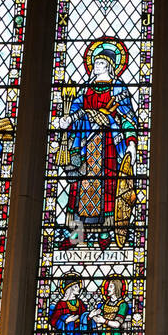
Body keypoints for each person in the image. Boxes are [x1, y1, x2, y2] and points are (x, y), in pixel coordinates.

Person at [53, 38, 139, 248]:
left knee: (109, 186)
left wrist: (131, 142)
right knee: (80, 187)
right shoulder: (86, 88)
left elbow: (127, 117)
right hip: (85, 143)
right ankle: (78, 234)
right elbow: (75, 109)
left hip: (107, 143)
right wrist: (67, 119)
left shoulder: (119, 89)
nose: (96, 66)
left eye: (100, 63)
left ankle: (106, 232)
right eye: (95, 63)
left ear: (110, 66)